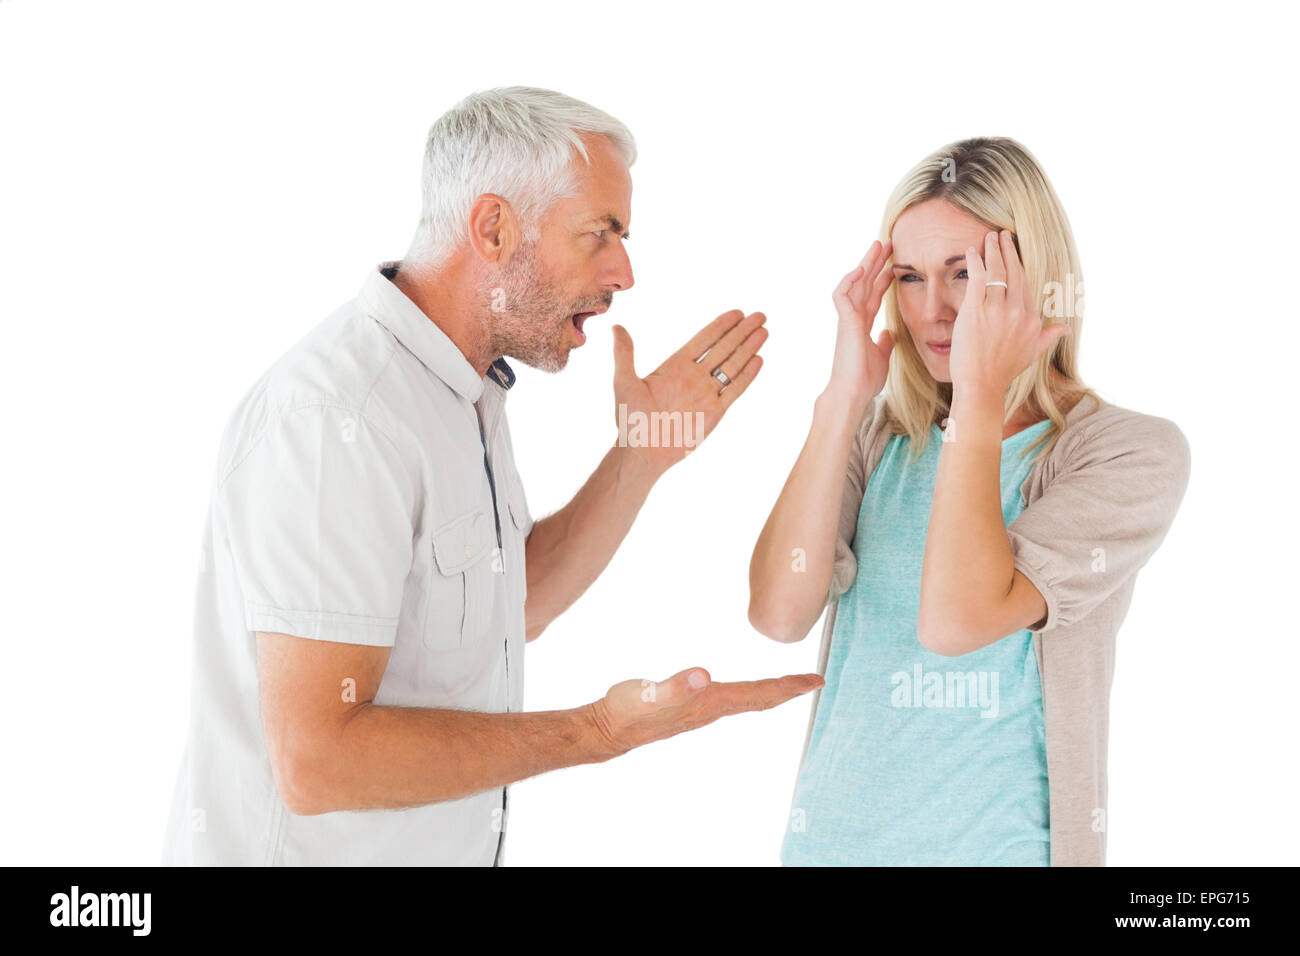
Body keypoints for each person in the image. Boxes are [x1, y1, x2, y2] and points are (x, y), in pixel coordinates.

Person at [163, 86, 821, 866]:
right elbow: (318, 759)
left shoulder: (463, 392)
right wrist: (596, 732)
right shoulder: (337, 418)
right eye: (599, 234)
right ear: (494, 228)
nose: (626, 271)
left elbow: (515, 605)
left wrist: (639, 458)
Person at [749, 137, 1190, 866]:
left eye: (964, 273)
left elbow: (956, 621)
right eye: (912, 277)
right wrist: (840, 402)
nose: (934, 311)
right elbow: (778, 613)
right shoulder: (878, 438)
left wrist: (980, 401)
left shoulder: (1128, 453)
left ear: (1035, 279)